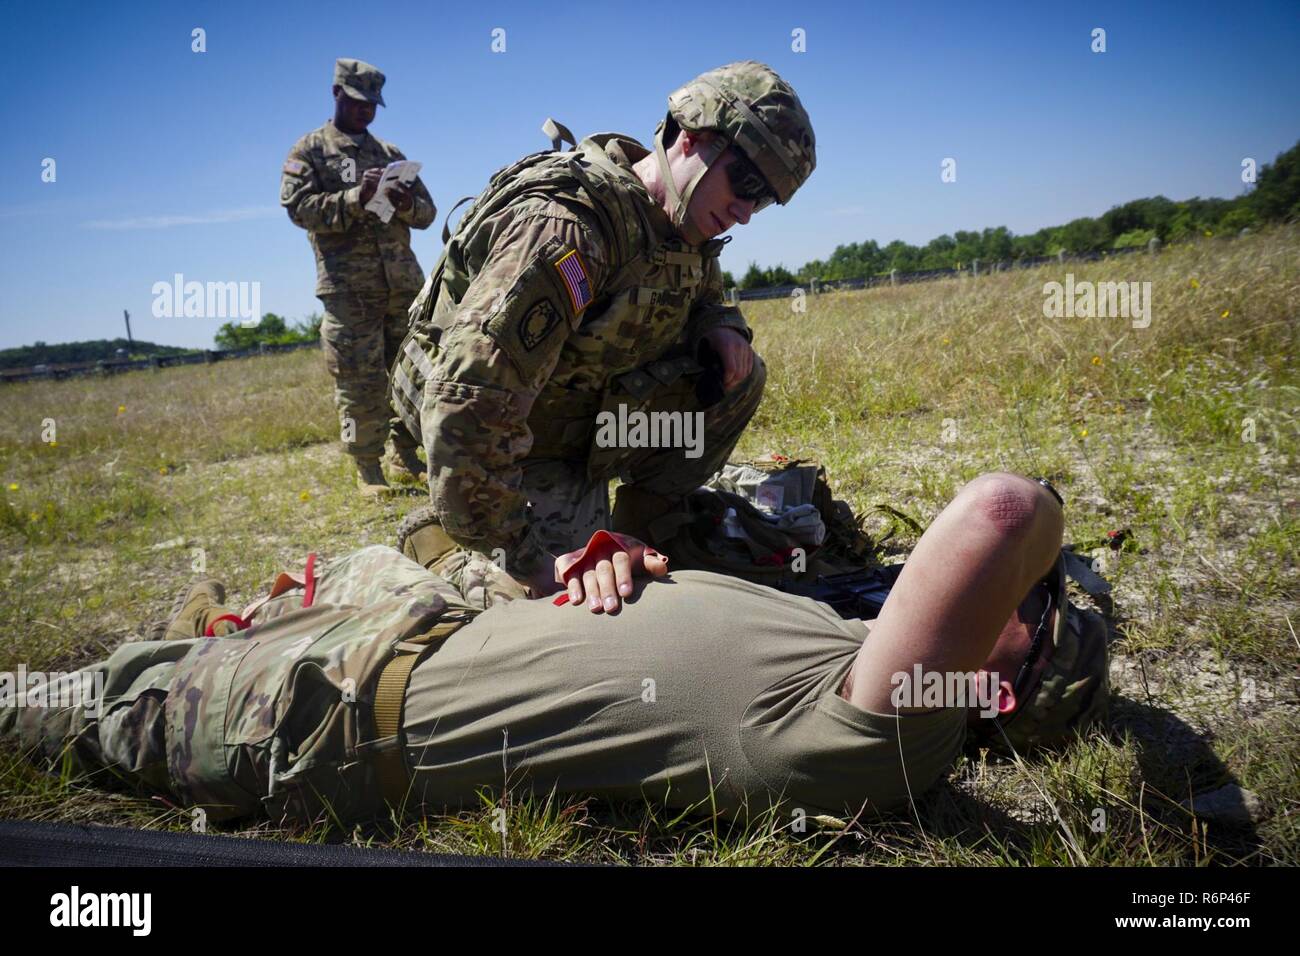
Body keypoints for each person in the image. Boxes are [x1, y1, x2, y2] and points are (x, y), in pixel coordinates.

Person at [1, 473, 1109, 827]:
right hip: (425, 623)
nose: (1025, 586)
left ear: (998, 685)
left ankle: (197, 645)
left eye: (1031, 604)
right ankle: (223, 619)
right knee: (365, 558)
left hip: (324, 712)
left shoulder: (892, 731)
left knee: (72, 698)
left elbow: (1005, 512)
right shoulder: (837, 639)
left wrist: (1048, 551)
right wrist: (615, 560)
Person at [390, 60, 816, 605]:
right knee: (564, 607)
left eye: (764, 199)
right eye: (747, 181)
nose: (746, 211)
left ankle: (651, 525)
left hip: (585, 426)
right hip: (504, 442)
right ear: (692, 136)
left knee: (741, 376)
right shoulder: (568, 231)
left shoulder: (680, 224)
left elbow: (703, 295)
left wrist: (721, 325)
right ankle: (441, 542)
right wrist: (529, 562)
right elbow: (466, 402)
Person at [281, 58, 437, 495]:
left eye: (373, 104)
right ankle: (368, 469)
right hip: (349, 290)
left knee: (411, 373)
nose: (366, 111)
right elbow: (298, 209)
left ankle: (407, 456)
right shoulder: (309, 151)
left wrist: (404, 202)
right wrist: (355, 197)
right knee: (358, 379)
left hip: (402, 284)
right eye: (358, 102)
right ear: (337, 94)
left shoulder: (390, 154)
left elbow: (427, 213)